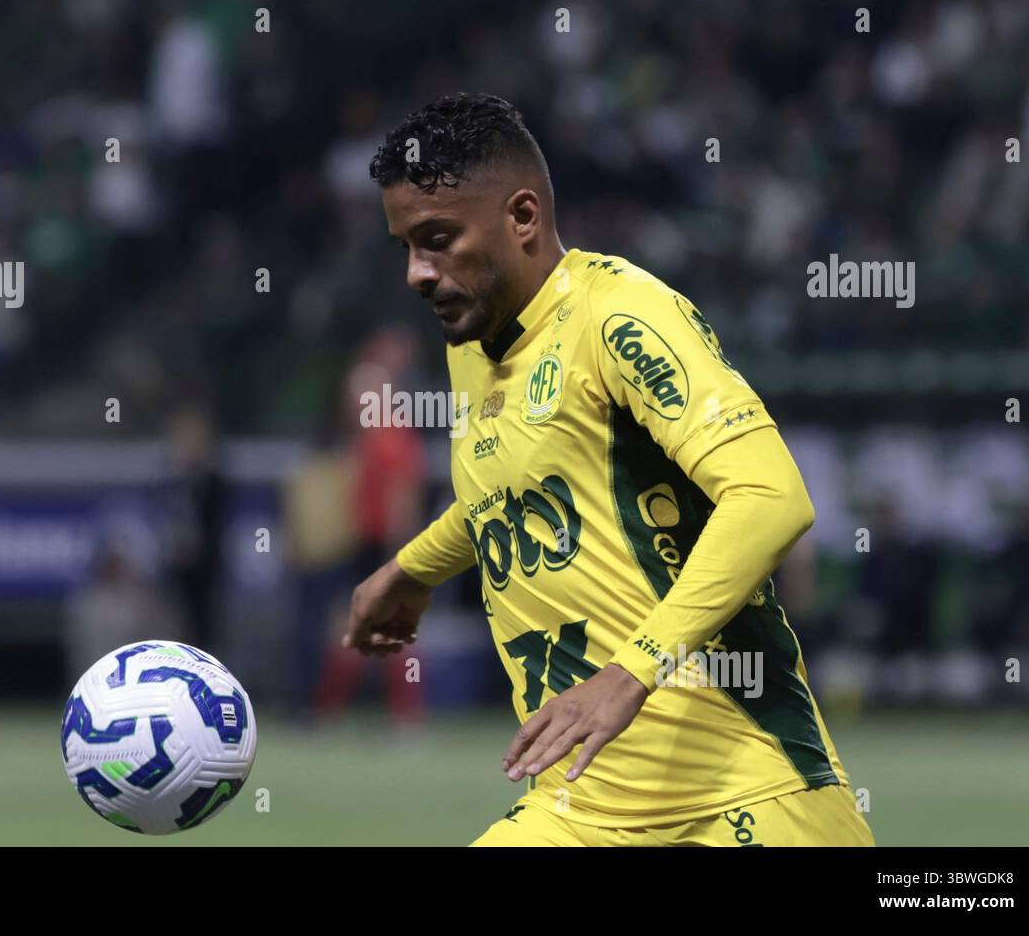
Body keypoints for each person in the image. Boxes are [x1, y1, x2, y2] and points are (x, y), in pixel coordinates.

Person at [345, 93, 874, 846]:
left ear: (522, 218)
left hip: (743, 801)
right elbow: (520, 488)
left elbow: (771, 498)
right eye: (404, 246)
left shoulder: (620, 317)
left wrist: (630, 674)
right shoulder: (472, 344)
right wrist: (415, 568)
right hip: (578, 813)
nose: (416, 274)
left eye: (437, 240)